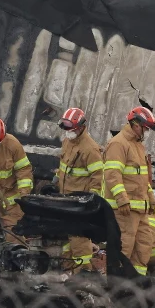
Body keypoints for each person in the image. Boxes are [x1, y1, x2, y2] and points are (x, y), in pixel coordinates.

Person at [103, 106, 155, 275]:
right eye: (145, 128)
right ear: (135, 124)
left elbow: (141, 179)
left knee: (143, 245)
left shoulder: (138, 146)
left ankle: (136, 282)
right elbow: (112, 174)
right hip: (125, 210)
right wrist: (122, 200)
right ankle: (116, 283)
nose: (147, 132)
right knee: (124, 246)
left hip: (140, 209)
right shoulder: (118, 144)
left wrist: (151, 198)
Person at [54, 107, 103, 272]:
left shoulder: (90, 149)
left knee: (79, 239)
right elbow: (64, 167)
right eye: (65, 128)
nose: (67, 132)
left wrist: (92, 202)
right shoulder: (68, 141)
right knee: (69, 238)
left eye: (70, 128)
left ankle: (83, 272)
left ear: (81, 127)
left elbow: (98, 177)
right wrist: (56, 178)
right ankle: (69, 269)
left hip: (80, 203)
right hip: (66, 199)